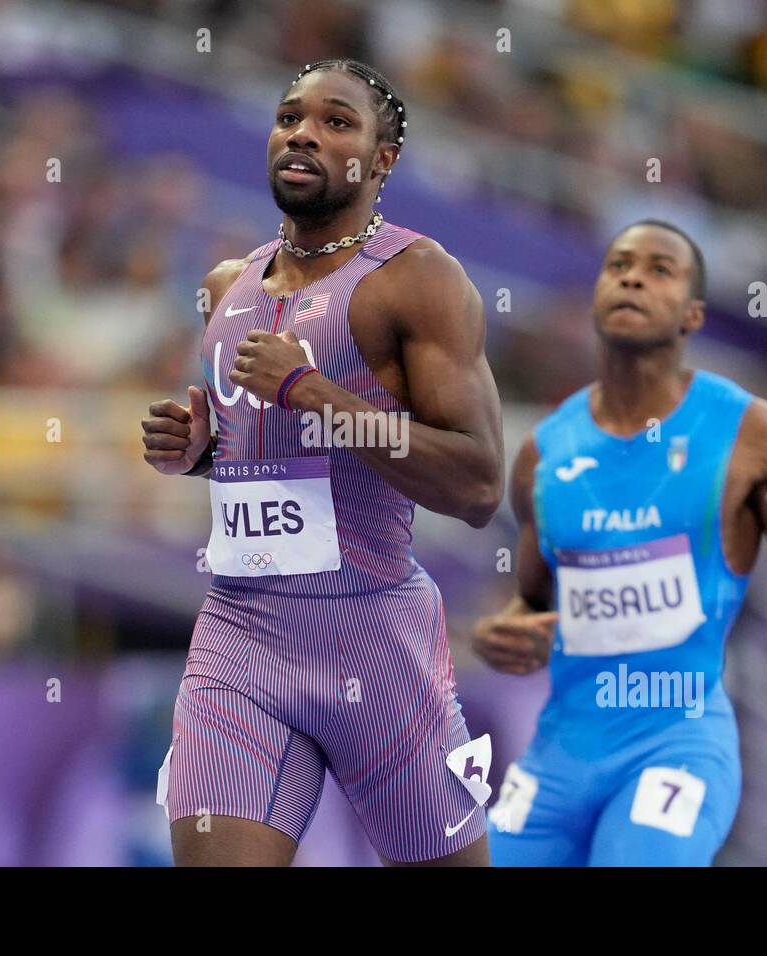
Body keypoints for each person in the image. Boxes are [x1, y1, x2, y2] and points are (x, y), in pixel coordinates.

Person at [141, 59, 504, 866]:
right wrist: (200, 453)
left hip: (374, 640)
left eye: (336, 121)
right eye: (289, 115)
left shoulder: (419, 280)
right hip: (239, 635)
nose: (303, 132)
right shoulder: (226, 285)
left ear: (381, 161)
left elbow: (478, 483)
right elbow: (264, 450)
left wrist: (312, 391)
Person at [474, 220, 767, 865]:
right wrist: (502, 631)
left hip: (674, 747)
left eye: (659, 269)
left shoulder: (747, 430)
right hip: (560, 756)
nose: (632, 276)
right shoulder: (544, 451)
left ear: (692, 314)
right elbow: (530, 603)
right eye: (618, 265)